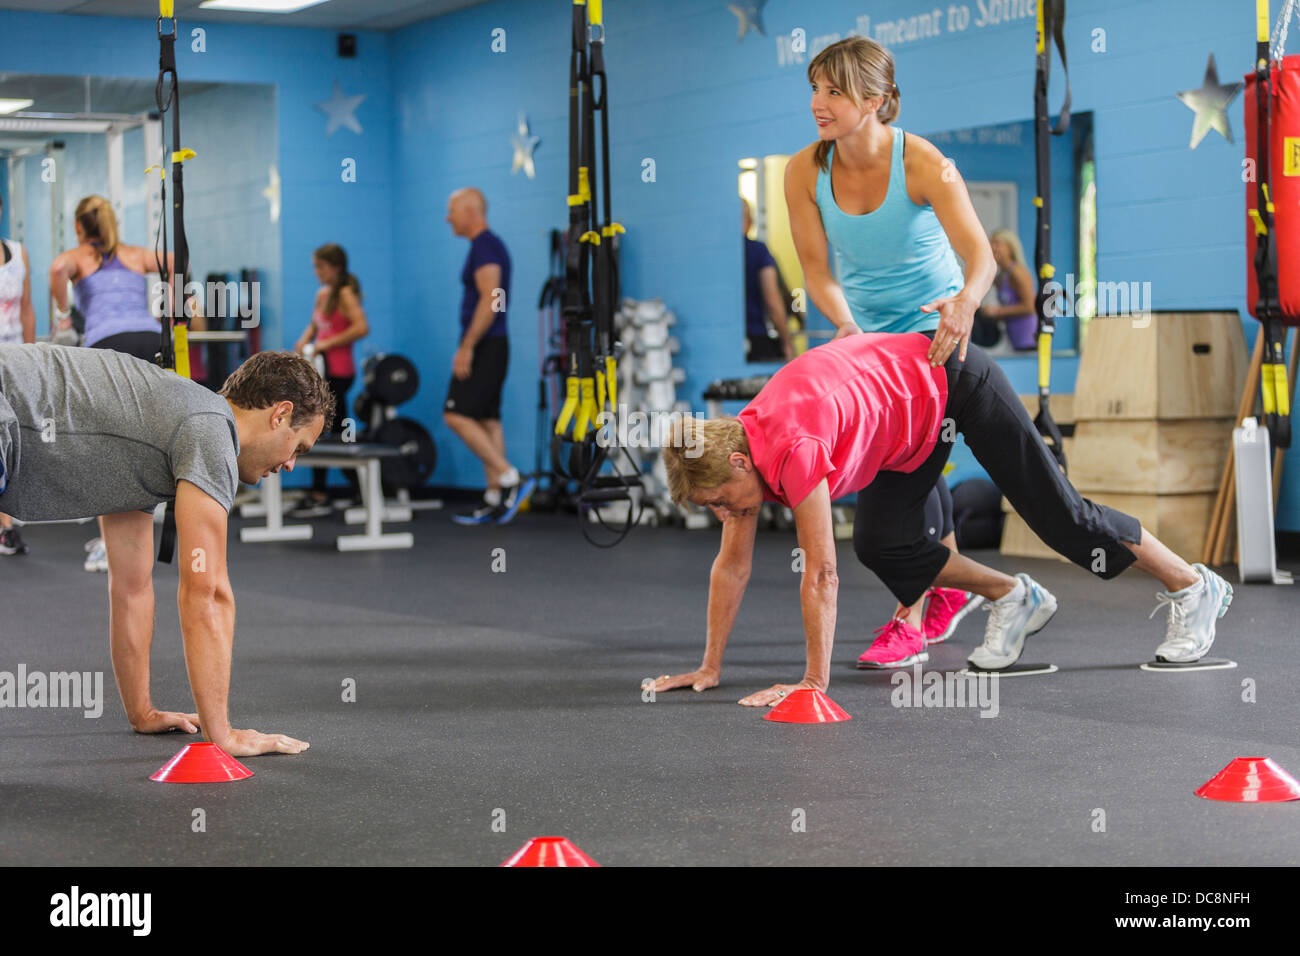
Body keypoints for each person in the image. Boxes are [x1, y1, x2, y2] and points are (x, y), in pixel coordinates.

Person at [651, 331, 1233, 707]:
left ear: (737, 462)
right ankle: (1014, 596)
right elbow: (732, 565)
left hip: (955, 381)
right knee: (883, 543)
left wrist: (813, 685)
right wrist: (709, 666)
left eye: (721, 500)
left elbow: (822, 573)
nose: (726, 513)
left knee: (1063, 518)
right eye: (713, 508)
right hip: (904, 433)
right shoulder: (738, 455)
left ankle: (1192, 584)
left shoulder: (791, 449)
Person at [0, 343, 330, 755]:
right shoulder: (210, 429)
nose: (290, 465)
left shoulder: (158, 430)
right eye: (298, 447)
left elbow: (131, 588)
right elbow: (207, 592)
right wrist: (222, 735)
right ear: (280, 415)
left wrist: (142, 712)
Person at [781, 36, 987, 668]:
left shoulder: (923, 162)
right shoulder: (804, 171)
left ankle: (911, 617)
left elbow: (980, 255)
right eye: (815, 89)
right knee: (913, 462)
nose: (818, 103)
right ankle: (948, 590)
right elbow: (816, 271)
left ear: (874, 100)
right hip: (869, 339)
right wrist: (845, 323)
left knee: (896, 473)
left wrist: (964, 303)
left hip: (935, 335)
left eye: (834, 92)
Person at [49, 195, 172, 572]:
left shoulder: (79, 257)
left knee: (107, 443)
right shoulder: (134, 254)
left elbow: (58, 268)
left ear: (78, 226)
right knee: (146, 435)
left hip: (107, 347)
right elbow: (174, 261)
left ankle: (109, 544)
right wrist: (172, 307)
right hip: (150, 341)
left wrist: (63, 312)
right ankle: (143, 521)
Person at [442, 187, 533, 524]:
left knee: (455, 415)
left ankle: (511, 478)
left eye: (452, 211)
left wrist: (468, 346)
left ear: (470, 211)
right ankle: (496, 496)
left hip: (485, 344)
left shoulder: (485, 246)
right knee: (487, 420)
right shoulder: (486, 246)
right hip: (492, 343)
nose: (448, 218)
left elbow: (492, 299)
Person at [291, 243, 369, 517]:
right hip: (322, 372)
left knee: (331, 432)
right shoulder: (322, 294)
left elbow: (361, 327)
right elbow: (315, 325)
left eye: (320, 267)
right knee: (323, 429)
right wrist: (303, 341)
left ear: (335, 268)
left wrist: (326, 344)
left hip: (339, 373)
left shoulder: (345, 294)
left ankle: (351, 491)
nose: (317, 272)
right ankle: (330, 492)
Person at [0, 193, 35, 556]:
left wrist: (33, 356)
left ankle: (6, 523)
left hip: (13, 358)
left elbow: (26, 308)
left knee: (12, 437)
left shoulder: (18, 252)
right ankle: (6, 526)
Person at [742, 199, 794, 362]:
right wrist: (787, 342)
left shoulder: (715, 255)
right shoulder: (758, 251)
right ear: (749, 221)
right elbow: (772, 301)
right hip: (757, 338)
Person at [980, 228, 1037, 351]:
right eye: (991, 243)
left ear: (1010, 248)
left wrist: (996, 312)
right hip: (1014, 337)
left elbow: (1030, 307)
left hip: (1028, 338)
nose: (993, 247)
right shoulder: (1001, 276)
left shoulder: (1018, 273)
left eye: (997, 243)